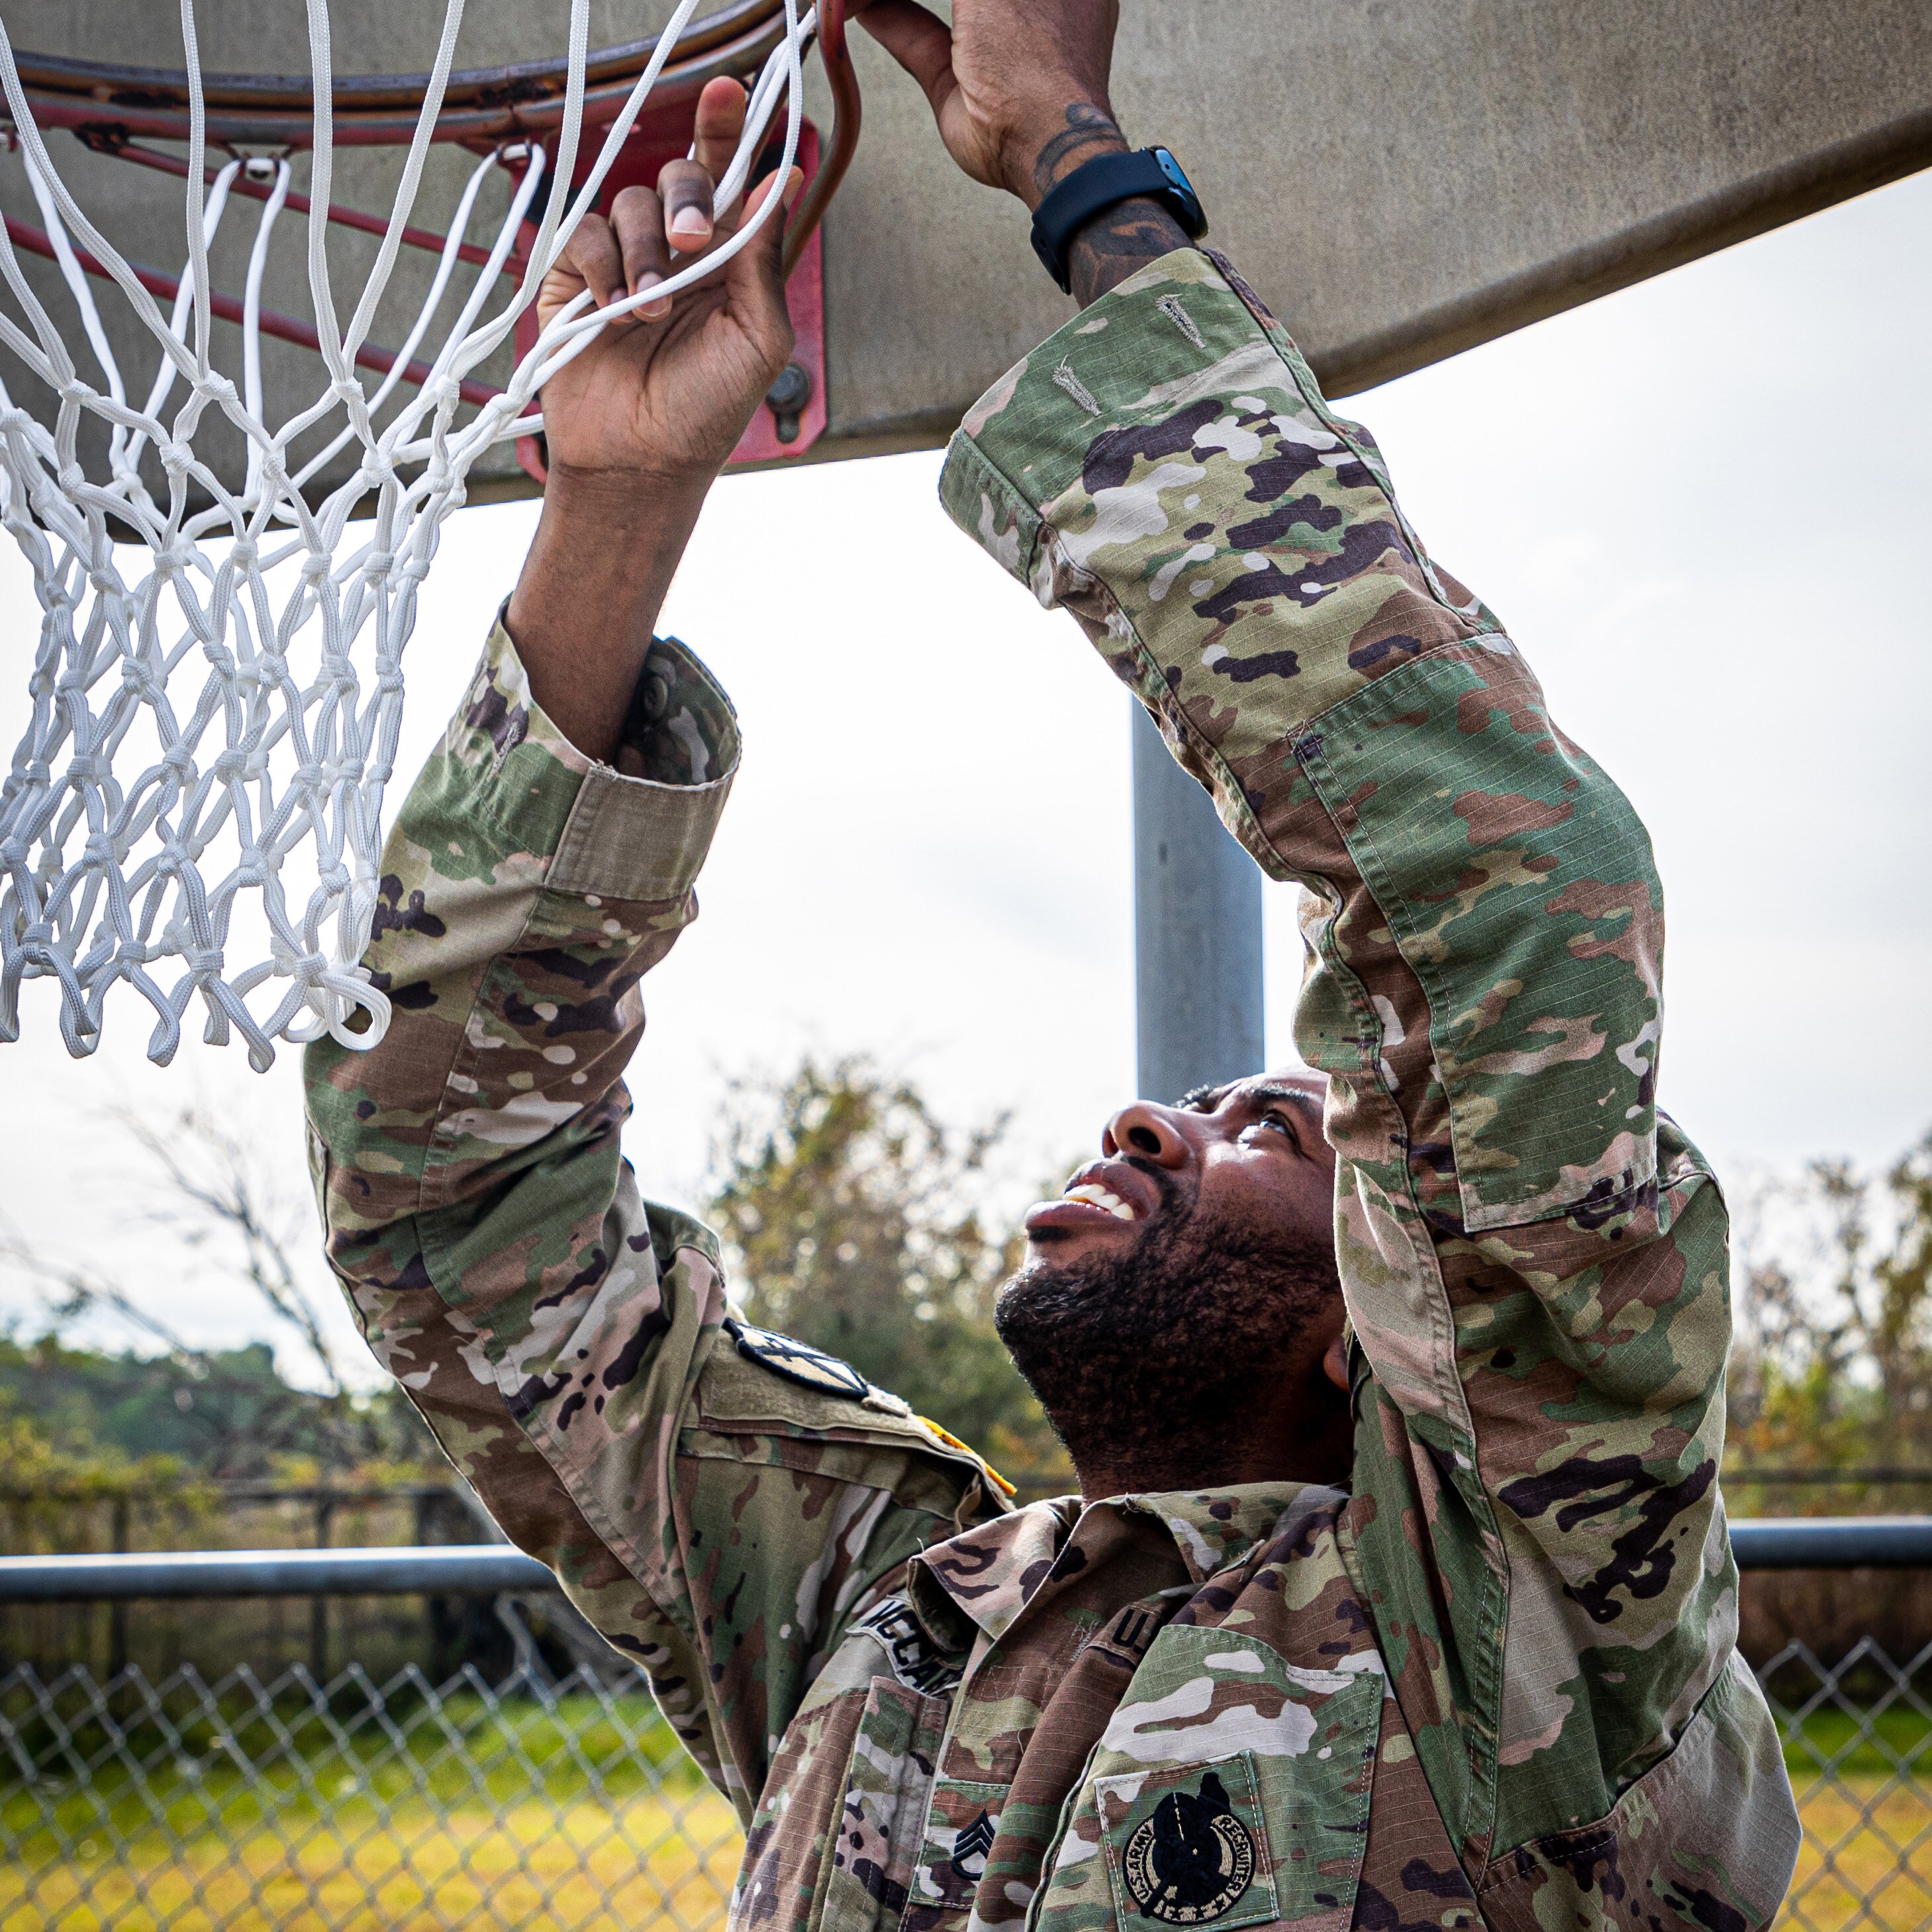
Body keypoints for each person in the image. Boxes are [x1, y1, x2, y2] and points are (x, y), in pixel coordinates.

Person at [305, 3, 1801, 1928]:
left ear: (1389, 1303)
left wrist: (1076, 162)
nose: (1152, 1119)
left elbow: (1500, 888)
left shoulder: (1525, 1633)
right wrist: (611, 506)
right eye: (1205, 1098)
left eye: (1268, 1119)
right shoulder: (876, 1612)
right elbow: (449, 1211)